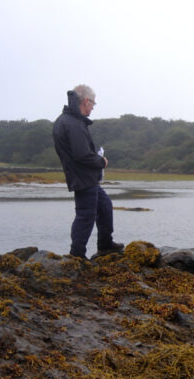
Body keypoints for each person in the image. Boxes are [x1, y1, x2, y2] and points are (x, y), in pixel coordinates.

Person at [52, 84, 123, 259]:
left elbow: (78, 153)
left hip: (83, 176)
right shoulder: (73, 123)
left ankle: (105, 245)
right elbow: (82, 155)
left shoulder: (67, 120)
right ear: (85, 101)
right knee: (85, 216)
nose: (92, 108)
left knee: (105, 206)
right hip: (83, 177)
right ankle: (76, 255)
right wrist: (101, 161)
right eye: (93, 104)